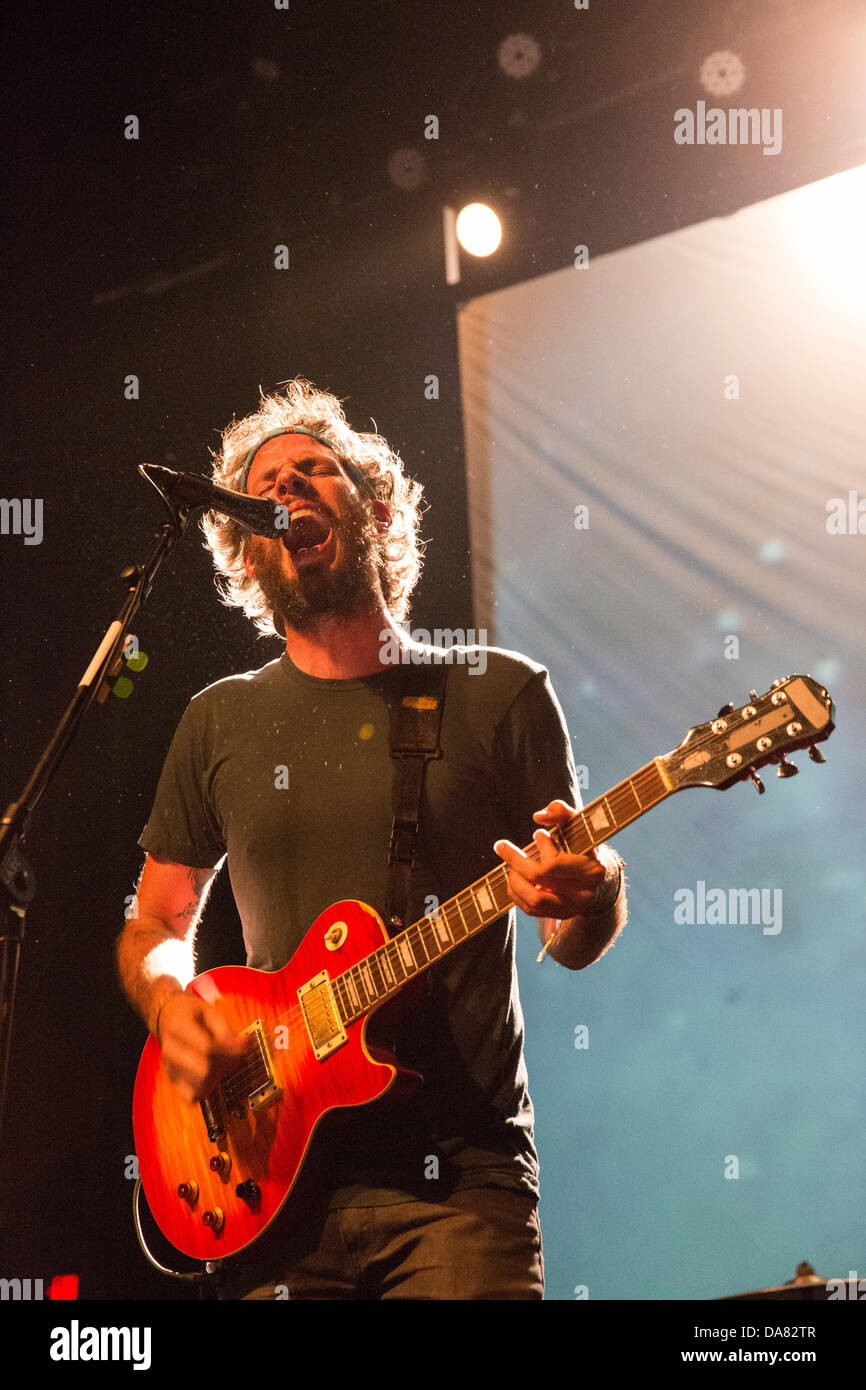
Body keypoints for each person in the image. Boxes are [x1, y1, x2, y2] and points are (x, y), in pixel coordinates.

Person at [116, 377, 627, 1300]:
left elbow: (571, 929)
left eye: (316, 470)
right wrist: (168, 1005)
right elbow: (157, 923)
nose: (289, 487)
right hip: (271, 1193)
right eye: (266, 483)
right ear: (243, 545)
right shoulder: (216, 721)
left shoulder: (496, 691)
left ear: (377, 508)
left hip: (458, 1187)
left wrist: (593, 895)